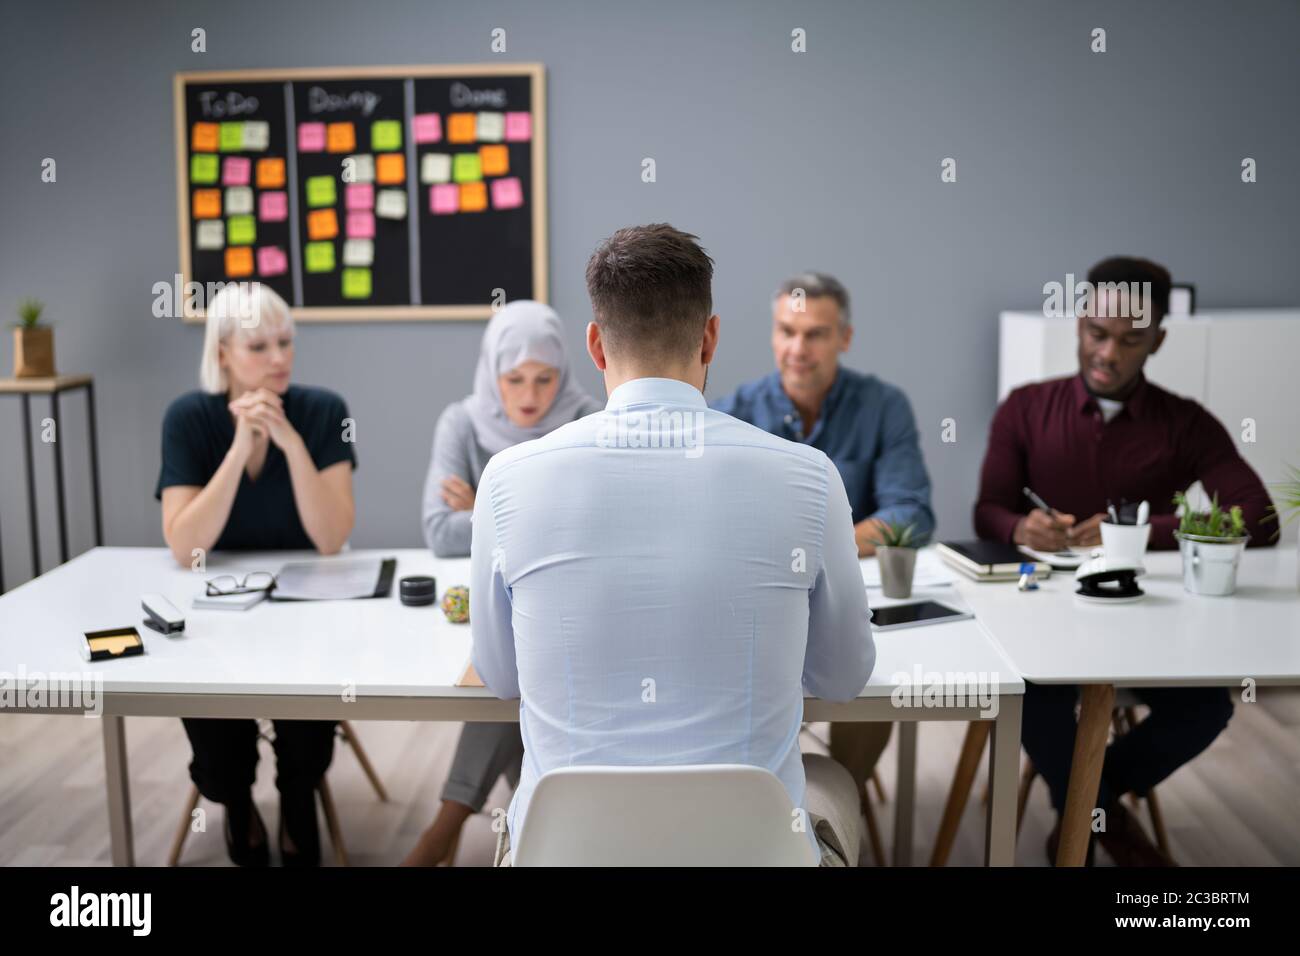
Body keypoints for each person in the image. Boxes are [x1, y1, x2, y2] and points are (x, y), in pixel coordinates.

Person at [472, 224, 876, 866]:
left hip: (562, 856)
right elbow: (843, 677)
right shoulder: (808, 474)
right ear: (710, 337)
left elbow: (499, 678)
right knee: (831, 781)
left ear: (596, 347)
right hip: (753, 857)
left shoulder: (506, 480)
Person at [974, 255, 1276, 865]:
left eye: (1130, 340)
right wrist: (1020, 525)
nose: (1108, 354)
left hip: (1146, 622)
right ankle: (1114, 830)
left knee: (1208, 708)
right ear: (1079, 324)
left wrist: (1131, 531)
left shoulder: (1185, 422)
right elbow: (988, 511)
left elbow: (1259, 517)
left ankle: (1086, 811)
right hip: (1044, 622)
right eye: (1097, 333)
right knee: (1035, 696)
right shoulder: (1026, 408)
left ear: (1157, 340)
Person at [712, 271, 936, 814]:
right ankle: (749, 807)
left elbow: (911, 512)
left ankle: (832, 804)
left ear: (845, 338)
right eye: (787, 331)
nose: (798, 348)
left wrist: (811, 542)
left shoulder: (885, 407)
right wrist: (829, 539)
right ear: (772, 334)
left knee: (877, 684)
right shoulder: (731, 411)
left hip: (852, 603)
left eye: (816, 334)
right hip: (759, 610)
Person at [156, 282, 356, 866]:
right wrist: (240, 448)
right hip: (216, 612)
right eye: (259, 346)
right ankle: (236, 802)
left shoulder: (323, 412)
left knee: (308, 718)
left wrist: (291, 443)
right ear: (222, 353)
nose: (279, 359)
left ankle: (298, 798)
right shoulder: (189, 418)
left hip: (306, 608)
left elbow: (330, 538)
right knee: (212, 712)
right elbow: (186, 548)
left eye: (286, 343)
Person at [404, 300, 601, 866]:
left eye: (545, 378)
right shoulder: (462, 422)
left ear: (564, 372)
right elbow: (440, 532)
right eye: (513, 379)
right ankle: (528, 820)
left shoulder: (589, 417)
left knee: (512, 670)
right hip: (496, 608)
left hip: (566, 607)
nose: (530, 395)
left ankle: (451, 826)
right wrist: (540, 514)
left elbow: (592, 526)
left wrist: (486, 506)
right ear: (492, 372)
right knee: (512, 672)